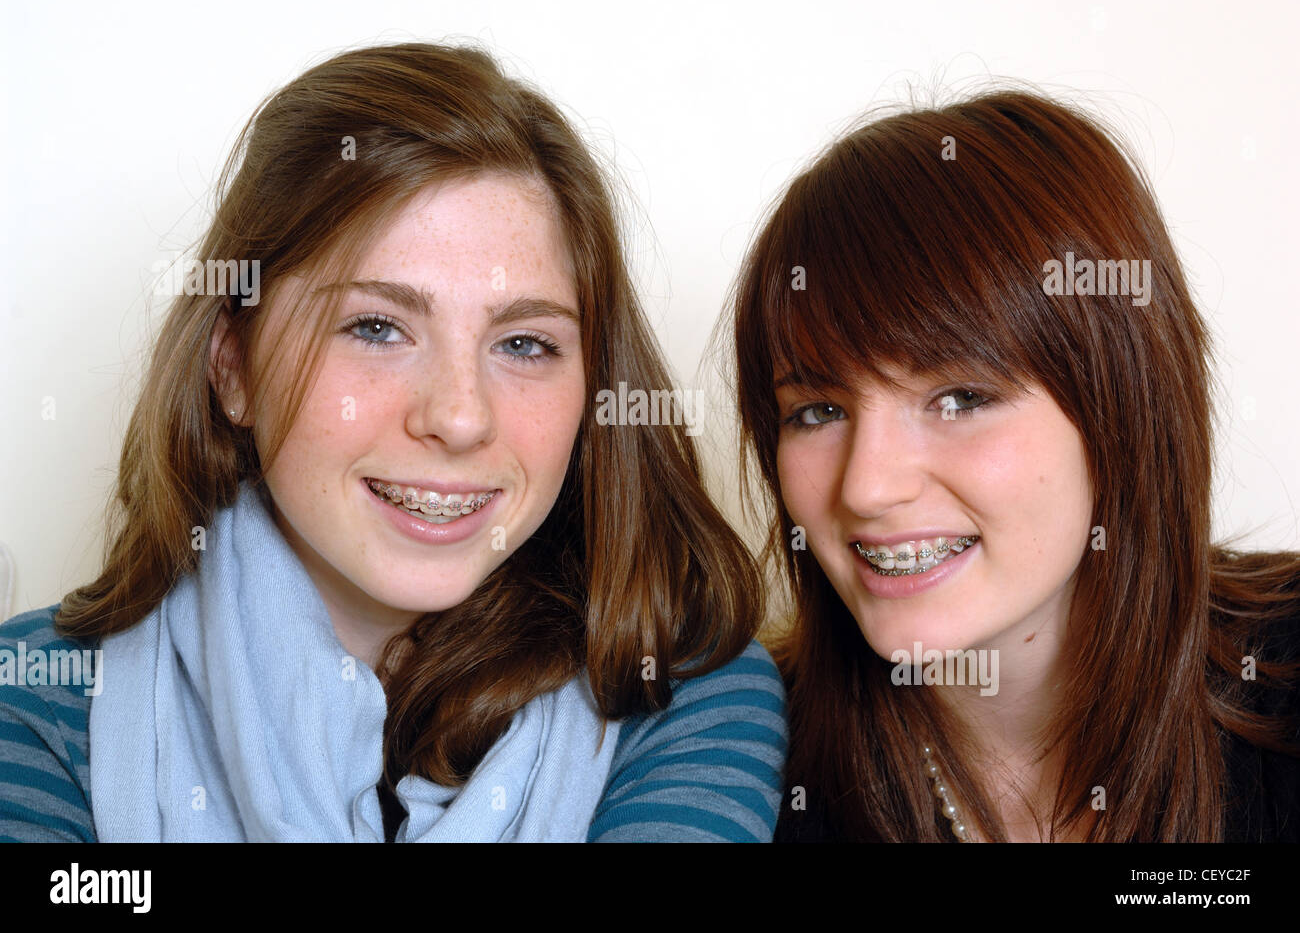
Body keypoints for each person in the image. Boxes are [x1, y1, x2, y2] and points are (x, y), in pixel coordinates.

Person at [0, 42, 786, 842]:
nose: (458, 416)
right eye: (376, 327)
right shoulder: (33, 701)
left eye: (524, 344)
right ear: (233, 365)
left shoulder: (682, 694)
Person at [728, 89, 1300, 842]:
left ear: (1122, 406)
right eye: (818, 411)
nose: (866, 487)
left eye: (961, 397)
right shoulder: (736, 765)